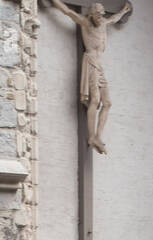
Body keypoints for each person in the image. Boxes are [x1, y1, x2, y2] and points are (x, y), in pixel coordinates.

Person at [48, 0, 132, 154]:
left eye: (102, 14)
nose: (100, 17)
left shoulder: (104, 23)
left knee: (107, 103)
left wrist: (124, 11)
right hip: (91, 62)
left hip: (99, 65)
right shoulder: (85, 23)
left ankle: (98, 137)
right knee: (95, 100)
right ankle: (91, 136)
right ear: (91, 14)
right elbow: (68, 11)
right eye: (97, 14)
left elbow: (114, 19)